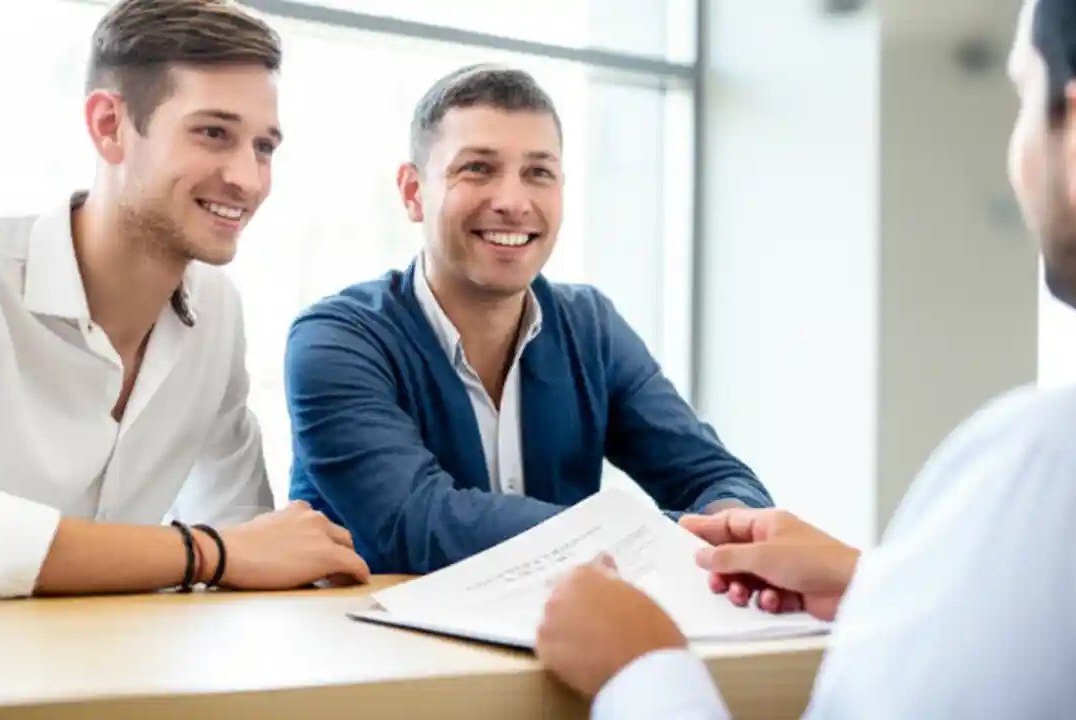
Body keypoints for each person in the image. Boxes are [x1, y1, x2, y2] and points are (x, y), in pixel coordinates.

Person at [535, 0, 1076, 717]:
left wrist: (640, 670)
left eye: (1022, 100)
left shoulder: (1063, 467)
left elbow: (707, 471)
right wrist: (878, 581)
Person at [0, 0, 369, 600]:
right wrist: (205, 553)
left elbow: (244, 532)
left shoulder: (218, 312)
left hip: (117, 677)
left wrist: (249, 554)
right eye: (213, 133)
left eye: (264, 147)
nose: (248, 179)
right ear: (109, 126)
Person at [286, 65, 772, 575]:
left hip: (557, 645)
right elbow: (419, 523)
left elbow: (714, 477)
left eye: (538, 173)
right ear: (413, 192)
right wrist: (652, 539)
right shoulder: (336, 340)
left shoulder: (591, 328)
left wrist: (735, 528)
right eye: (476, 168)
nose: (514, 203)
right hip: (375, 648)